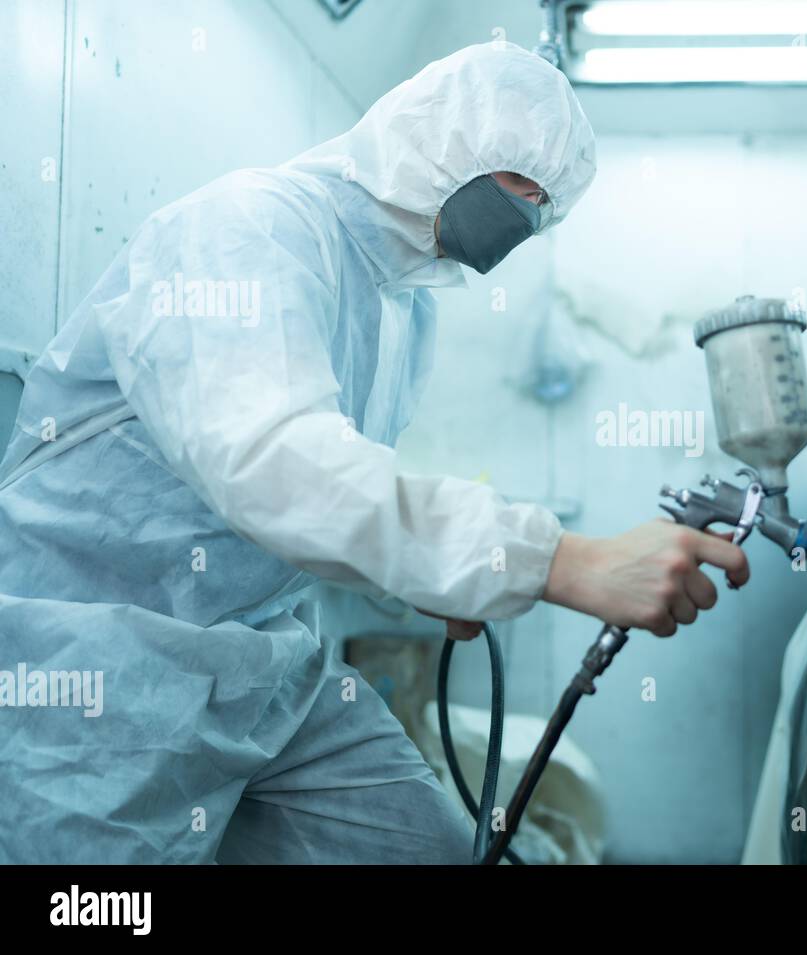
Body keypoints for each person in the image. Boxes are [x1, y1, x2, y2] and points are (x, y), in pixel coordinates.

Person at [0, 41, 747, 864]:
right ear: (441, 138)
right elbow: (281, 468)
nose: (529, 215)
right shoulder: (251, 230)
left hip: (262, 668)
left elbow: (337, 498)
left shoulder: (403, 312)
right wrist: (559, 561)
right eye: (519, 181)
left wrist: (429, 572)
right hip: (93, 666)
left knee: (428, 848)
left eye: (547, 202)